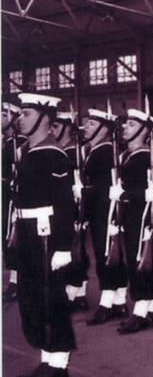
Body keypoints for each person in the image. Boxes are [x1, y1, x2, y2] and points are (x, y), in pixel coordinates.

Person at [9, 94, 76, 377]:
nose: (20, 118)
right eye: (20, 113)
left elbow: (65, 204)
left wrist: (63, 246)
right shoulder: (29, 151)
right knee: (33, 299)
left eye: (26, 112)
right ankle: (46, 361)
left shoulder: (54, 155)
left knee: (52, 301)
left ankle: (59, 367)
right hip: (27, 231)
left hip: (46, 233)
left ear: (45, 118)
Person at [116, 108, 153, 334]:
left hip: (140, 216)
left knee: (139, 262)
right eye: (126, 124)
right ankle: (149, 310)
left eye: (131, 125)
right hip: (130, 215)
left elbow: (146, 192)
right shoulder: (129, 155)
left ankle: (140, 312)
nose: (125, 128)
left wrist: (123, 195)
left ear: (143, 131)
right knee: (139, 262)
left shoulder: (144, 156)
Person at [83, 108, 128, 325]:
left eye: (91, 124)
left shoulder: (105, 150)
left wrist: (84, 191)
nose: (86, 127)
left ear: (104, 129)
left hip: (105, 209)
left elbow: (102, 185)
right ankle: (119, 301)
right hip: (98, 208)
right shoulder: (98, 149)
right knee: (109, 254)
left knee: (106, 255)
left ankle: (107, 303)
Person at [50, 111, 90, 312]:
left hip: (75, 208)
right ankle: (75, 292)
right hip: (63, 207)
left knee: (76, 250)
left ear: (68, 128)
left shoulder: (75, 151)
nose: (52, 130)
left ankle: (77, 293)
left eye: (56, 127)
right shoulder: (61, 150)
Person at [3, 102, 24, 303]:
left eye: (3, 115)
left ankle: (17, 282)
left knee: (12, 239)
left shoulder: (19, 142)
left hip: (11, 198)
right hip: (4, 197)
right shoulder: (7, 142)